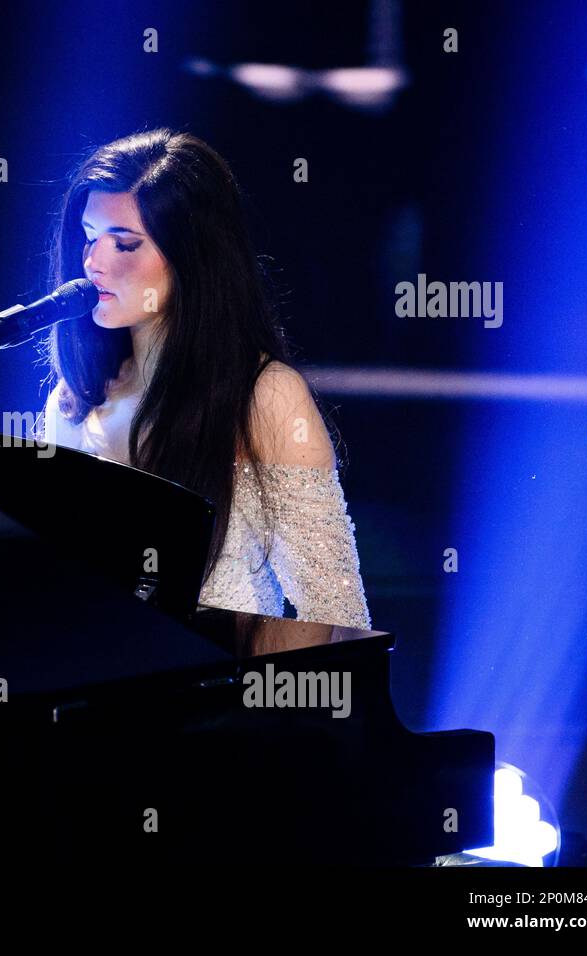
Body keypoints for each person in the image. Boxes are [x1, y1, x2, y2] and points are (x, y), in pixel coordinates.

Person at [38, 128, 371, 630]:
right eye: (89, 238)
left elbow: (337, 617)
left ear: (191, 257)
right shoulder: (74, 400)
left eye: (125, 245)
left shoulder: (264, 396)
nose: (92, 263)